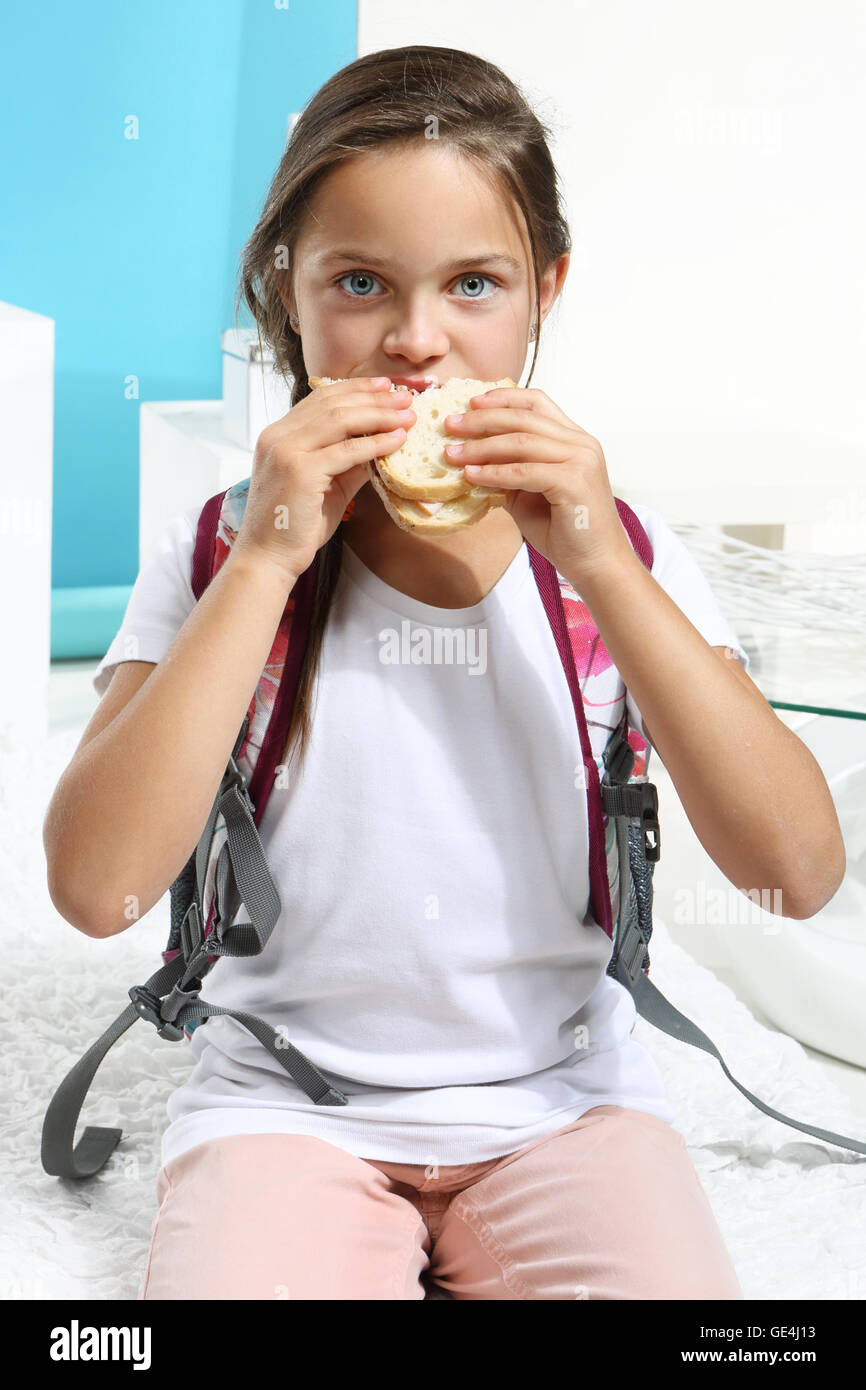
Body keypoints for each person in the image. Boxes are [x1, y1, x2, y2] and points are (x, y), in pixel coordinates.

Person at [50, 44, 841, 1300]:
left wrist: (607, 573)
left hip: (568, 1104)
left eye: (473, 284)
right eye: (359, 283)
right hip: (284, 1105)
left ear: (543, 293)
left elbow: (793, 873)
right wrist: (264, 561)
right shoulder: (213, 548)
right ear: (288, 294)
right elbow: (95, 890)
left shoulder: (620, 552)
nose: (416, 345)